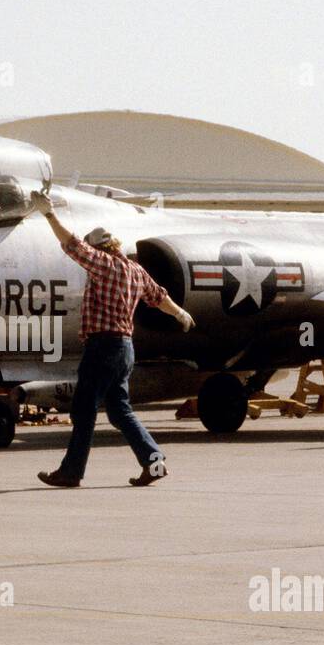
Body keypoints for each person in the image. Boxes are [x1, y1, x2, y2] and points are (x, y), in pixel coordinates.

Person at [30, 190, 195, 488]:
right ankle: (154, 462)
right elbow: (159, 298)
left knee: (84, 410)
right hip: (124, 349)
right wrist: (180, 314)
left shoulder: (104, 265)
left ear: (102, 248)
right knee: (120, 410)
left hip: (102, 347)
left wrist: (49, 214)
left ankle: (71, 472)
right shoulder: (136, 271)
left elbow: (71, 245)